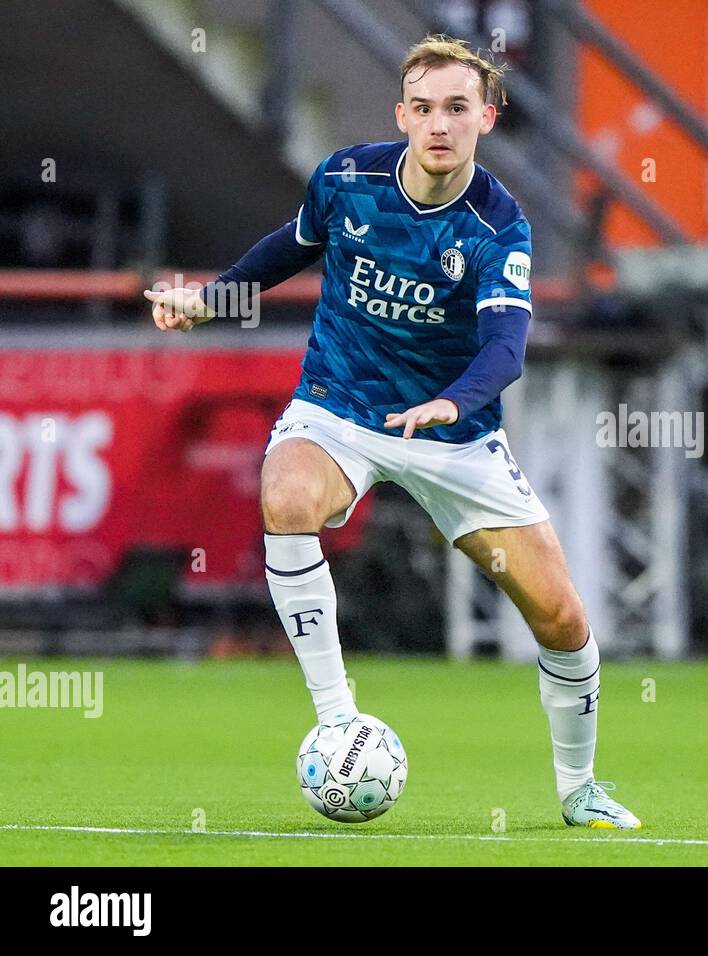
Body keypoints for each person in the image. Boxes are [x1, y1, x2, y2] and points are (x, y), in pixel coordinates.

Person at [143, 35, 641, 829]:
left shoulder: (497, 227)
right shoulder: (347, 180)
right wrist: (213, 297)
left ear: (487, 115)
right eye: (424, 108)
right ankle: (336, 720)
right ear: (402, 114)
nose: (440, 124)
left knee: (564, 620)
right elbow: (290, 250)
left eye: (457, 108)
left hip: (456, 437)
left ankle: (580, 789)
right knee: (287, 492)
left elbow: (505, 349)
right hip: (339, 407)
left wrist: (453, 401)